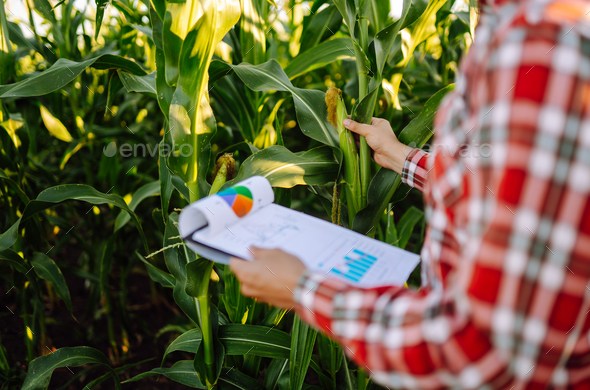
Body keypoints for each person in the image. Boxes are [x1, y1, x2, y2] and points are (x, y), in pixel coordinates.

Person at [230, 0, 590, 388]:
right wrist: (403, 158)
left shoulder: (543, 40)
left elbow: (485, 350)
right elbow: (514, 196)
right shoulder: (530, 27)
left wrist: (306, 290)